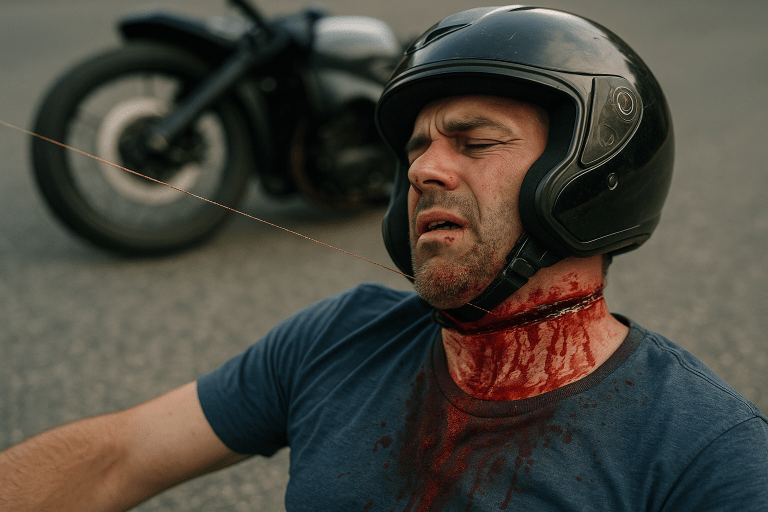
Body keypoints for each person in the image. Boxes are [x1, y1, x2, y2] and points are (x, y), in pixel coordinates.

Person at [2, 5, 767, 511]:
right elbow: (116, 457)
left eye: (473, 142)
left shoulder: (704, 453)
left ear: (587, 173)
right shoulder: (340, 337)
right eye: (416, 149)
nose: (422, 171)